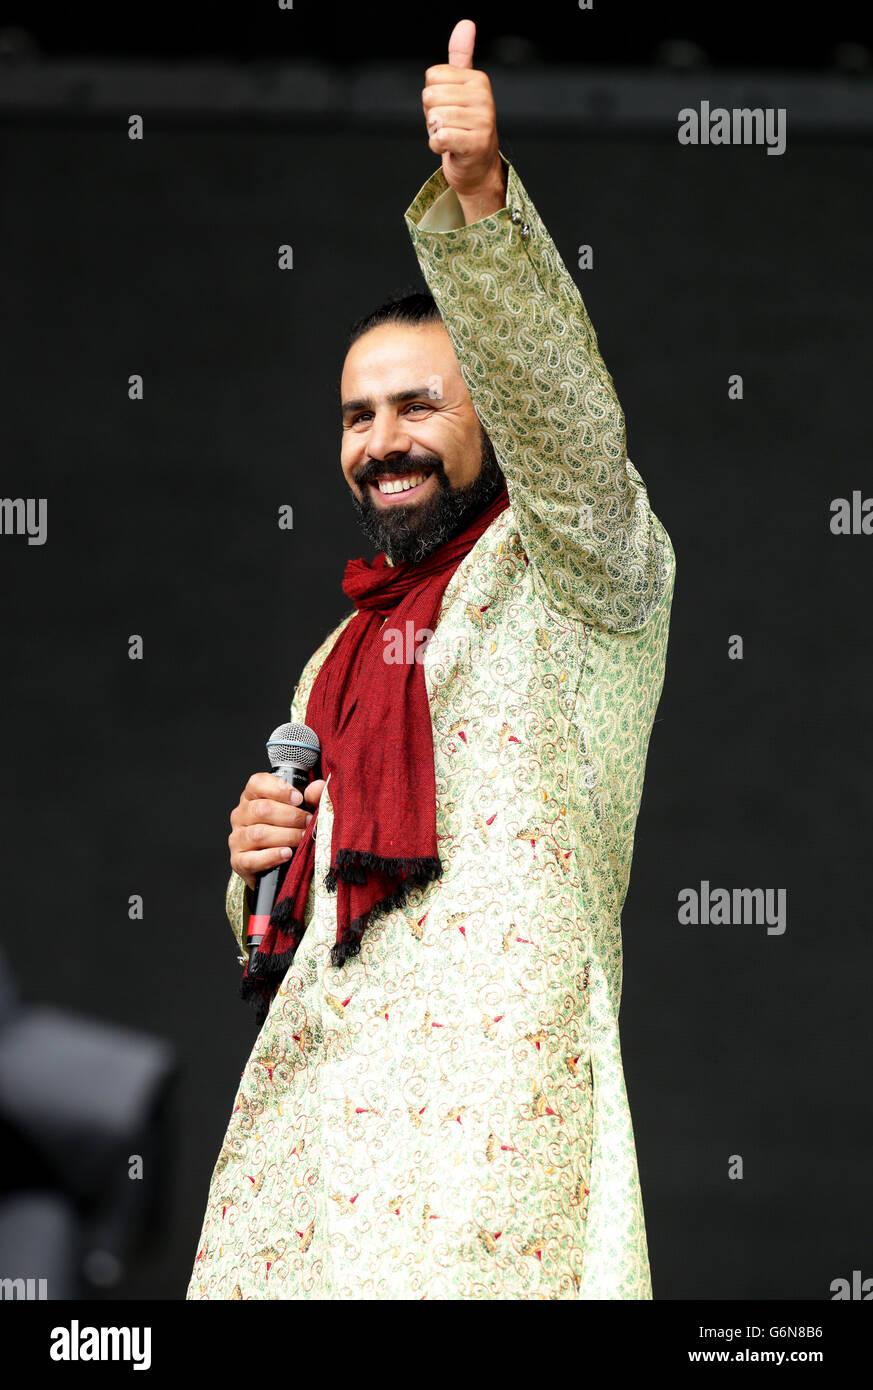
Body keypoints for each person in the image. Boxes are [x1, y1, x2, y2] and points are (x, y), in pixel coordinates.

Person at [187, 17, 675, 1301]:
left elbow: (565, 417)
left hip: (497, 1167)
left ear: (491, 417)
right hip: (314, 1175)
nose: (381, 439)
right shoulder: (337, 659)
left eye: (419, 405)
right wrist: (259, 872)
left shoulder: (585, 574)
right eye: (358, 414)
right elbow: (307, 931)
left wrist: (479, 203)